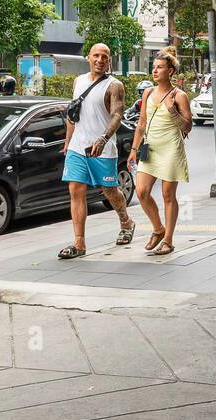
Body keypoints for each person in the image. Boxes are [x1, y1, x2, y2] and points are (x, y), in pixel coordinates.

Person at [58, 43, 135, 260]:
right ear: (88, 57)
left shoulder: (114, 85)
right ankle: (79, 242)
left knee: (109, 191)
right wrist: (67, 141)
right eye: (96, 56)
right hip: (77, 147)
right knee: (75, 190)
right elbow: (74, 114)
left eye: (104, 57)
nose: (100, 60)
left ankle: (126, 222)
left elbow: (117, 116)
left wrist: (103, 138)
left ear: (109, 61)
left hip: (102, 148)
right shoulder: (79, 81)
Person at [128, 50, 191, 256]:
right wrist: (134, 149)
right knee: (141, 191)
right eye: (154, 67)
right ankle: (158, 228)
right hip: (150, 148)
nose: (155, 70)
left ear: (170, 71)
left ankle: (168, 240)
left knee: (167, 195)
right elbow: (142, 124)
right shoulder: (148, 93)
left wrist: (172, 110)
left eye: (160, 67)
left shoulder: (179, 96)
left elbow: (187, 127)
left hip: (171, 148)